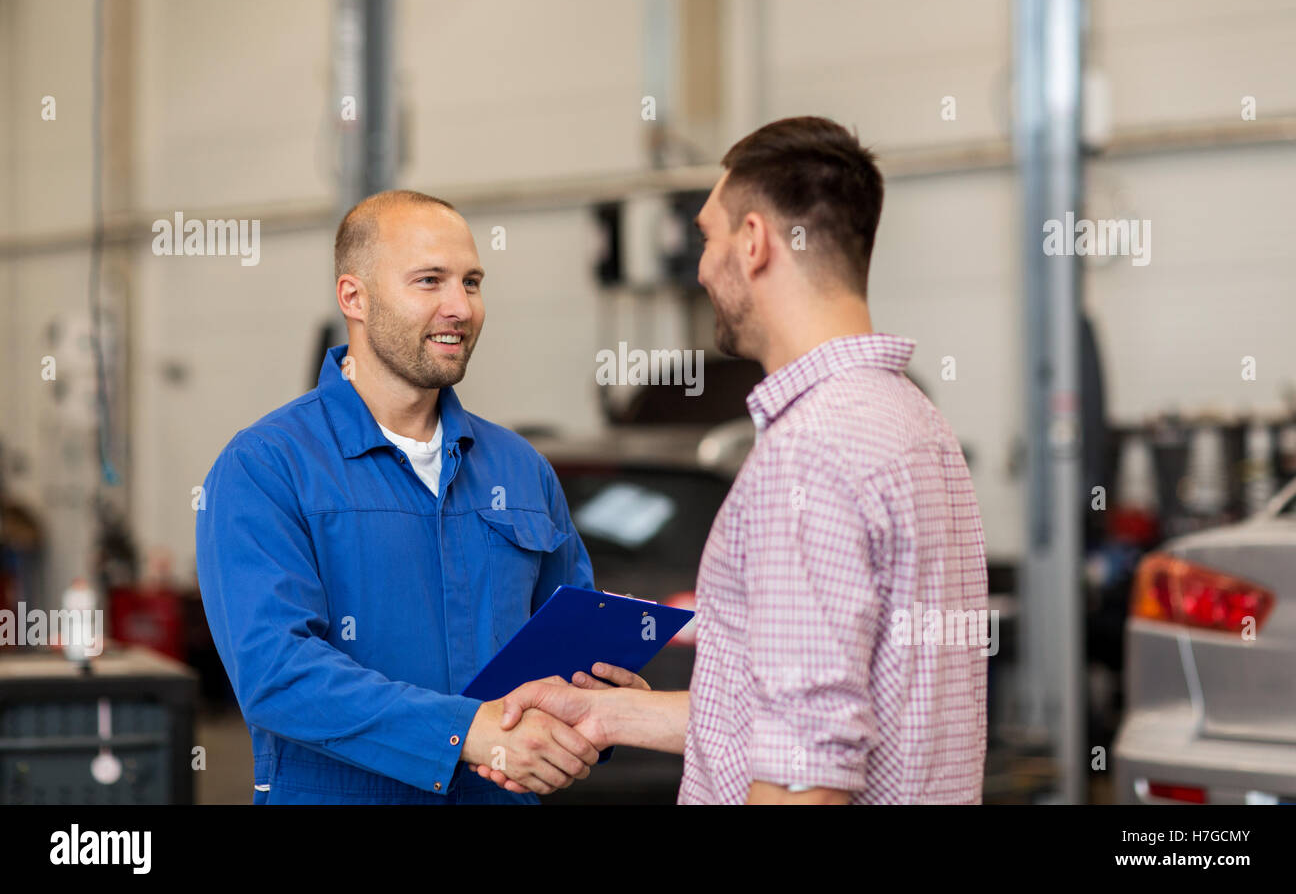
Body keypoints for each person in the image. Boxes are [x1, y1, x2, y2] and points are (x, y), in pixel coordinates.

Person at [473, 116, 990, 804]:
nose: (700, 268)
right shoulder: (916, 424)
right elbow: (808, 715)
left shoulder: (807, 452)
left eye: (708, 238)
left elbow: (807, 773)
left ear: (753, 243)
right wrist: (607, 714)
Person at [196, 190, 610, 804]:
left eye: (471, 282)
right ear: (353, 297)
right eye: (429, 281)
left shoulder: (521, 471)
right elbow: (277, 674)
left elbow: (574, 640)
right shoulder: (267, 467)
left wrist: (600, 698)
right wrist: (463, 732)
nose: (460, 308)